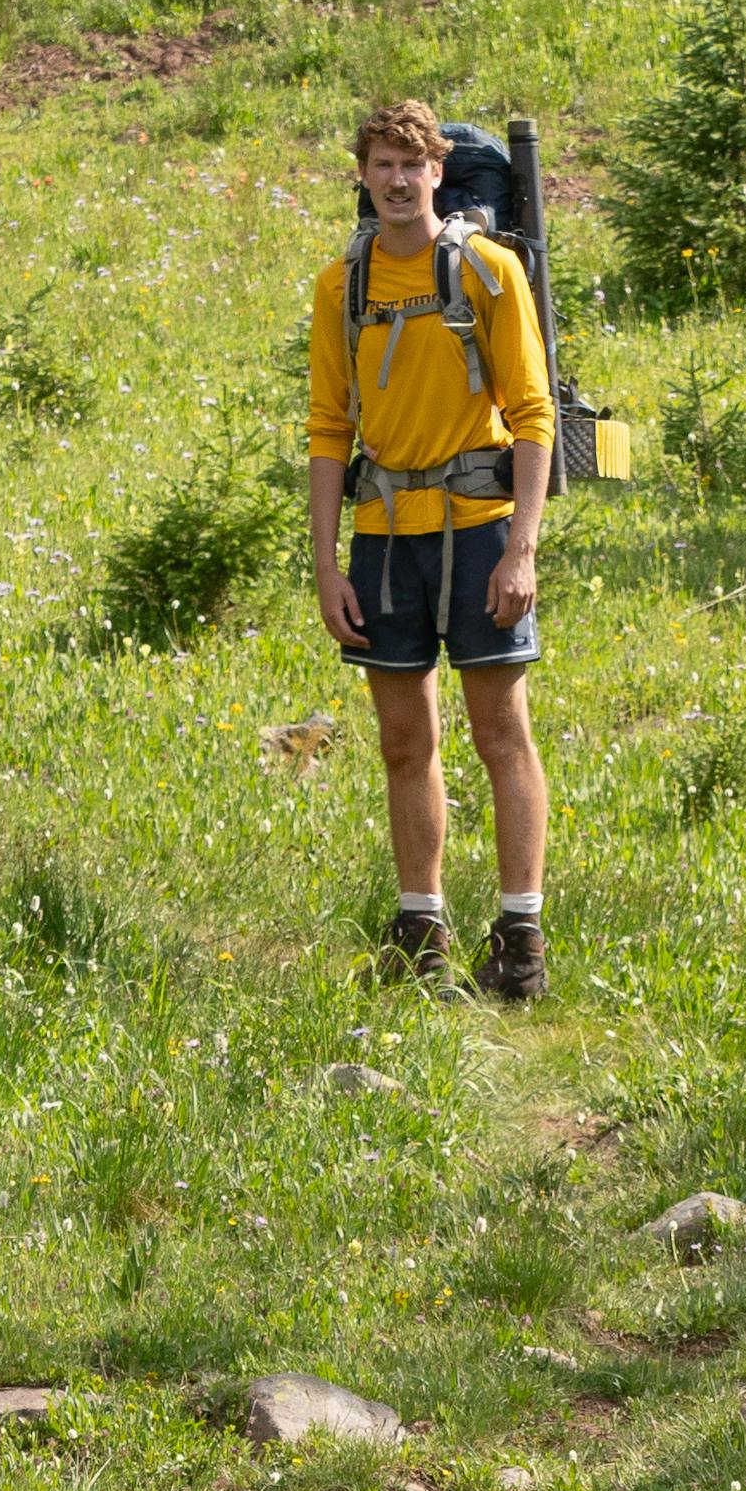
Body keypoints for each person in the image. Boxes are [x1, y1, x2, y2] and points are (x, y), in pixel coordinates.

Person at [305, 96, 554, 1002]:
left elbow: (532, 418)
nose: (399, 180)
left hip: (482, 531)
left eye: (413, 164)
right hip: (381, 541)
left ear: (438, 173)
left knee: (500, 733)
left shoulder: (488, 271)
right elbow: (329, 429)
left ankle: (520, 939)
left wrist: (520, 550)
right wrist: (327, 564)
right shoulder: (342, 284)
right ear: (363, 178)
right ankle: (422, 932)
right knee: (404, 741)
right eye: (382, 165)